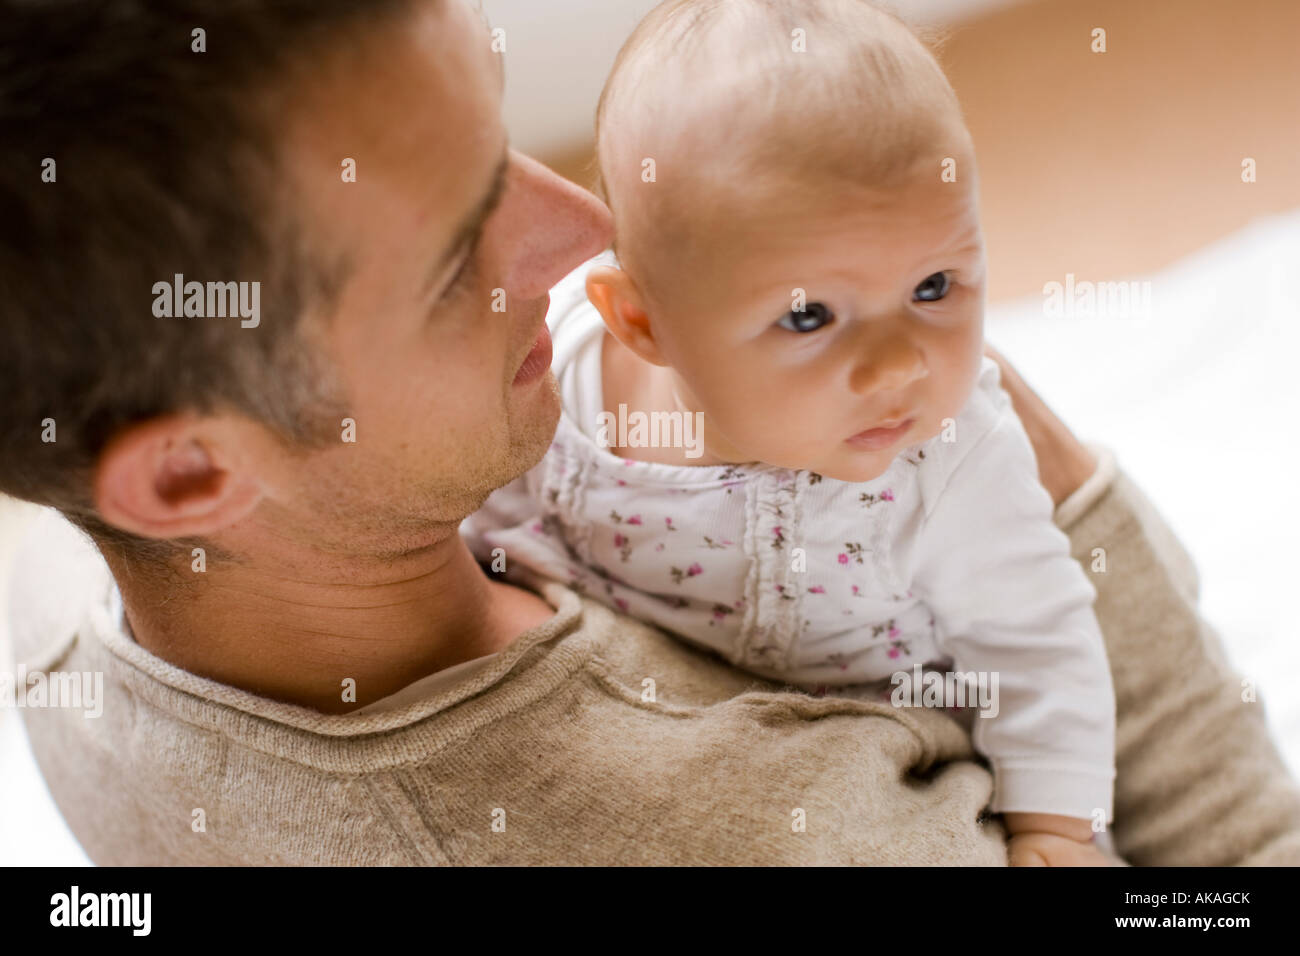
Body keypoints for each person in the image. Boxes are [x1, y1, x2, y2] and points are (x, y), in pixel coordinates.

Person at [4, 0, 1298, 865]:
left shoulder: (52, 601)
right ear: (187, 471)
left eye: (504, 140)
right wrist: (1070, 498)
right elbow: (1224, 841)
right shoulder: (781, 833)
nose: (583, 230)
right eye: (460, 250)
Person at [462, 0, 1114, 865]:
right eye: (808, 315)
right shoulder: (567, 379)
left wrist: (1055, 828)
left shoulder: (951, 457)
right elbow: (477, 502)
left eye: (934, 285)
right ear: (641, 320)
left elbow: (1039, 642)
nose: (897, 368)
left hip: (907, 749)